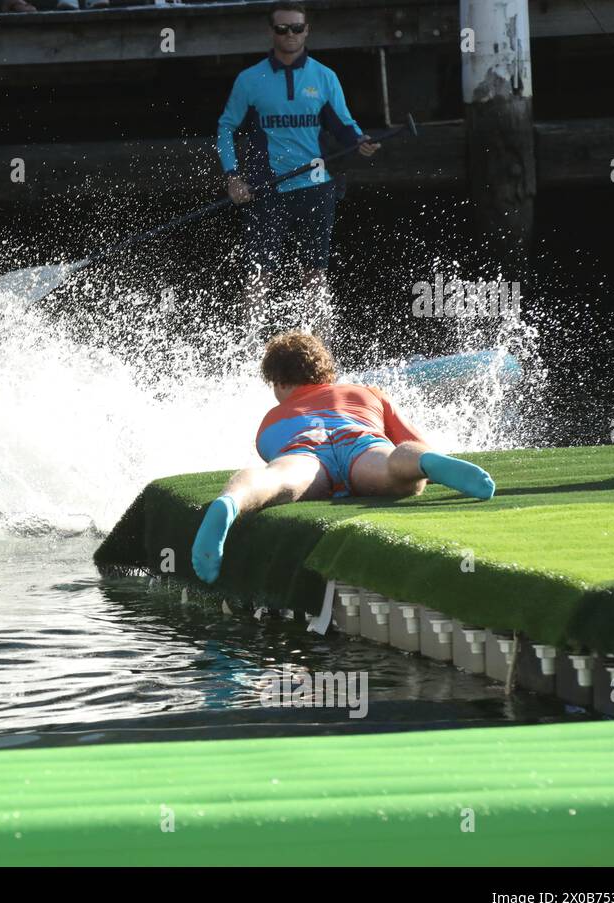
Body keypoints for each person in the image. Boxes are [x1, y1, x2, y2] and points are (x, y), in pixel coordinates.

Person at [190, 331, 495, 584]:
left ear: (280, 383)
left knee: (277, 479)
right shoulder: (367, 393)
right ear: (326, 372)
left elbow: (276, 454)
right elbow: (414, 440)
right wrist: (419, 461)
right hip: (358, 438)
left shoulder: (271, 419)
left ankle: (231, 501)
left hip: (302, 443)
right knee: (396, 465)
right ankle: (427, 464)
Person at [216, 1, 380, 343]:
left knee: (314, 275)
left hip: (316, 187)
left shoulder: (324, 77)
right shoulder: (250, 80)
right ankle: (251, 350)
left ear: (307, 30)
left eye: (297, 28)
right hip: (267, 189)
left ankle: (323, 354)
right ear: (271, 32)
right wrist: (233, 176)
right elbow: (225, 128)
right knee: (259, 274)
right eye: (282, 29)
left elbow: (343, 124)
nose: (290, 35)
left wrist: (360, 140)